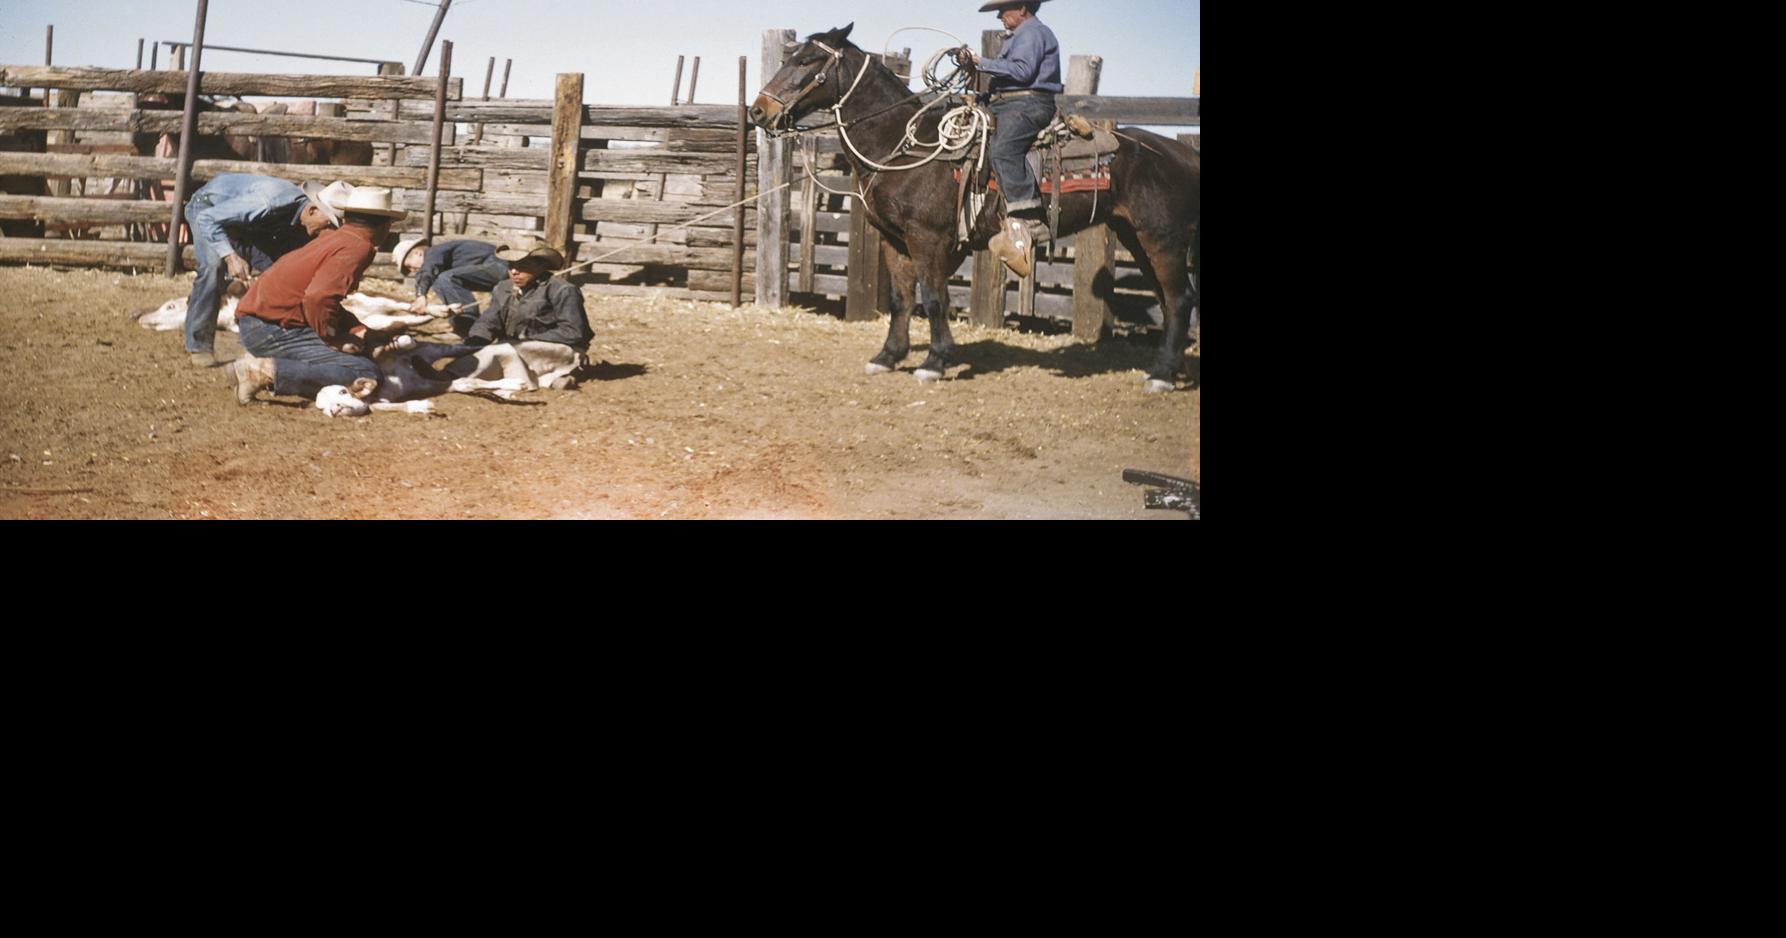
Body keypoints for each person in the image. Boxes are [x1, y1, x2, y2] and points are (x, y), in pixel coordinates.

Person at [225, 185, 409, 404]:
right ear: (384, 225)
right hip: (271, 328)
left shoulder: (335, 238)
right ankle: (263, 371)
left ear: (348, 216)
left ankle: (266, 366)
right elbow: (318, 297)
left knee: (358, 355)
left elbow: (322, 299)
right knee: (366, 372)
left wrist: (360, 330)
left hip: (262, 322)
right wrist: (333, 339)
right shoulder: (359, 247)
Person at [181, 175, 349, 367]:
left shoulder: (298, 216)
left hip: (245, 224)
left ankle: (291, 339)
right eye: (328, 224)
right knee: (213, 268)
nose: (326, 233)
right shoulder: (268, 202)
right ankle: (198, 345)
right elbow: (208, 219)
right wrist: (230, 256)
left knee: (283, 273)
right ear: (312, 210)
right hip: (208, 208)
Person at [966, 0, 1063, 276]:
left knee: (1003, 149)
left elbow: (1022, 72)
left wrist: (980, 62)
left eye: (1003, 9)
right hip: (1009, 103)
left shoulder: (1032, 33)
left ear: (1022, 9)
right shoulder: (1020, 34)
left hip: (1029, 105)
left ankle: (1030, 219)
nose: (999, 16)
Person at [450, 238, 591, 390]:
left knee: (501, 352)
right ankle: (550, 380)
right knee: (486, 352)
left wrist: (527, 337)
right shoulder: (503, 288)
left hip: (560, 350)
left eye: (522, 266)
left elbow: (573, 332)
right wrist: (473, 343)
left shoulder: (563, 290)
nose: (514, 272)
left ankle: (453, 377)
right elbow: (488, 321)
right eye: (510, 266)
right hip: (515, 345)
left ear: (541, 266)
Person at [393, 236, 511, 337]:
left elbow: (428, 269)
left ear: (418, 254)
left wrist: (421, 295)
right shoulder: (439, 258)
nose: (413, 271)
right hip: (494, 267)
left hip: (499, 264)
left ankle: (466, 325)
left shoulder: (433, 252)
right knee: (441, 280)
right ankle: (460, 322)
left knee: (445, 278)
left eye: (409, 266)